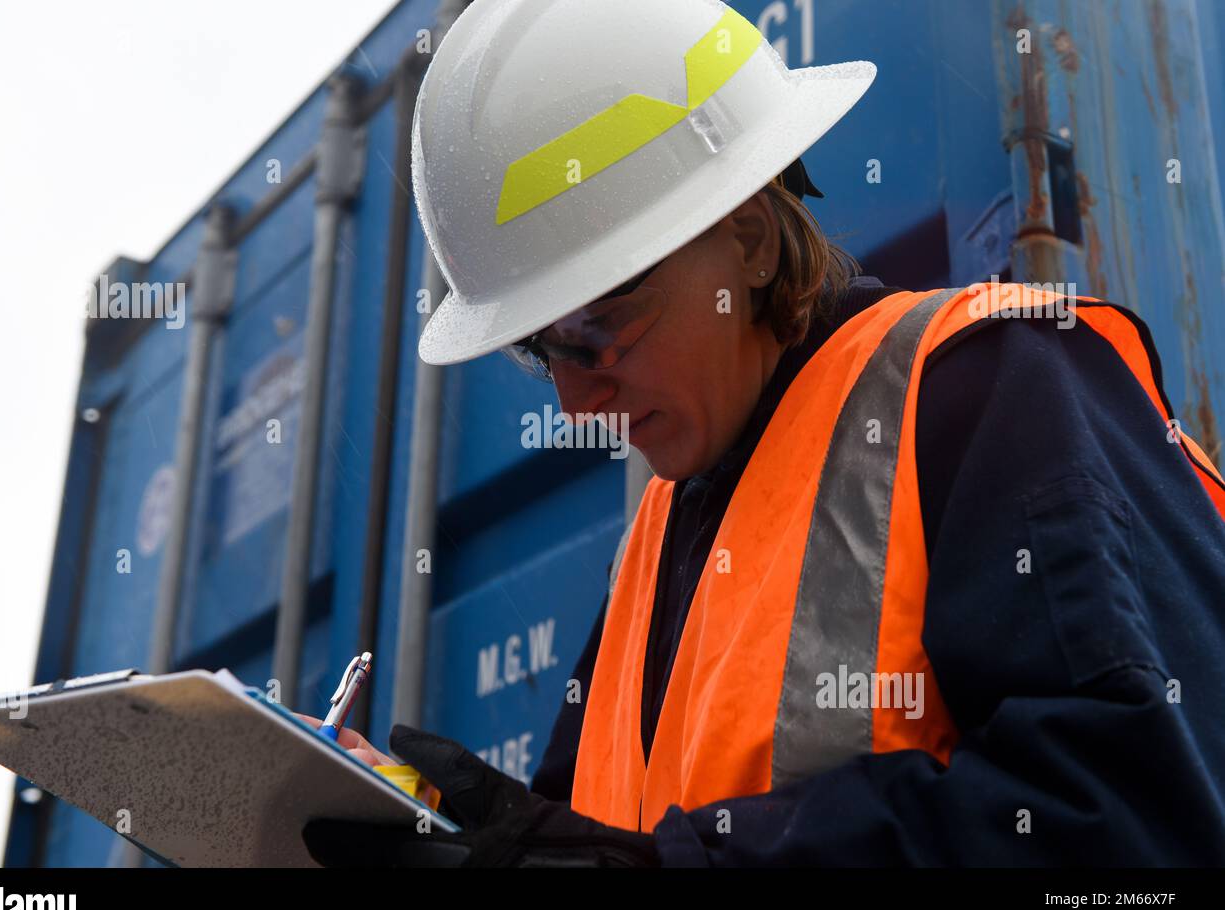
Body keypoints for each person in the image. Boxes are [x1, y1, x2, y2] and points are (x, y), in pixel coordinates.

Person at [299, 0, 1225, 866]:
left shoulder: (988, 385)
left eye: (596, 329)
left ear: (747, 240)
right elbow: (599, 841)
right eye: (546, 352)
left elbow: (1139, 825)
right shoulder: (656, 544)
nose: (577, 404)